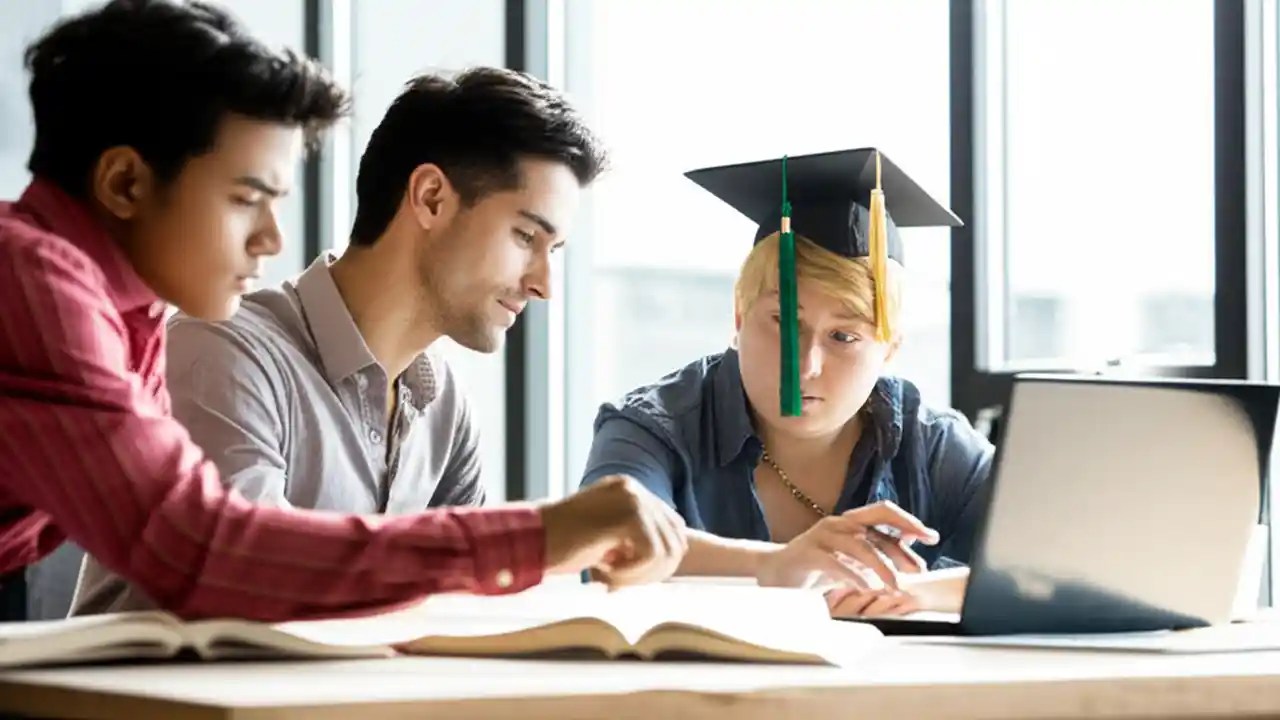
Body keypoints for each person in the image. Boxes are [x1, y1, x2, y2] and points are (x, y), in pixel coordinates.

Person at [0, 0, 686, 624]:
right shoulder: (32, 282)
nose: (272, 238)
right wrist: (541, 534)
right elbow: (206, 551)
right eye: (246, 199)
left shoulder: (131, 323)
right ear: (124, 182)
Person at [72, 66, 613, 615]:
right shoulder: (221, 352)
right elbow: (245, 585)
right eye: (526, 237)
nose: (543, 284)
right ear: (429, 198)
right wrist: (539, 535)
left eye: (555, 250)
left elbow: (467, 609)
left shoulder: (445, 410)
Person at [579, 148, 992, 616]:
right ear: (738, 317)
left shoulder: (932, 444)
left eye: (844, 336)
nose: (807, 364)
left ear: (889, 349)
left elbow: (1058, 563)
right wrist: (773, 566)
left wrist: (913, 593)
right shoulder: (655, 425)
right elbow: (604, 545)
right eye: (782, 322)